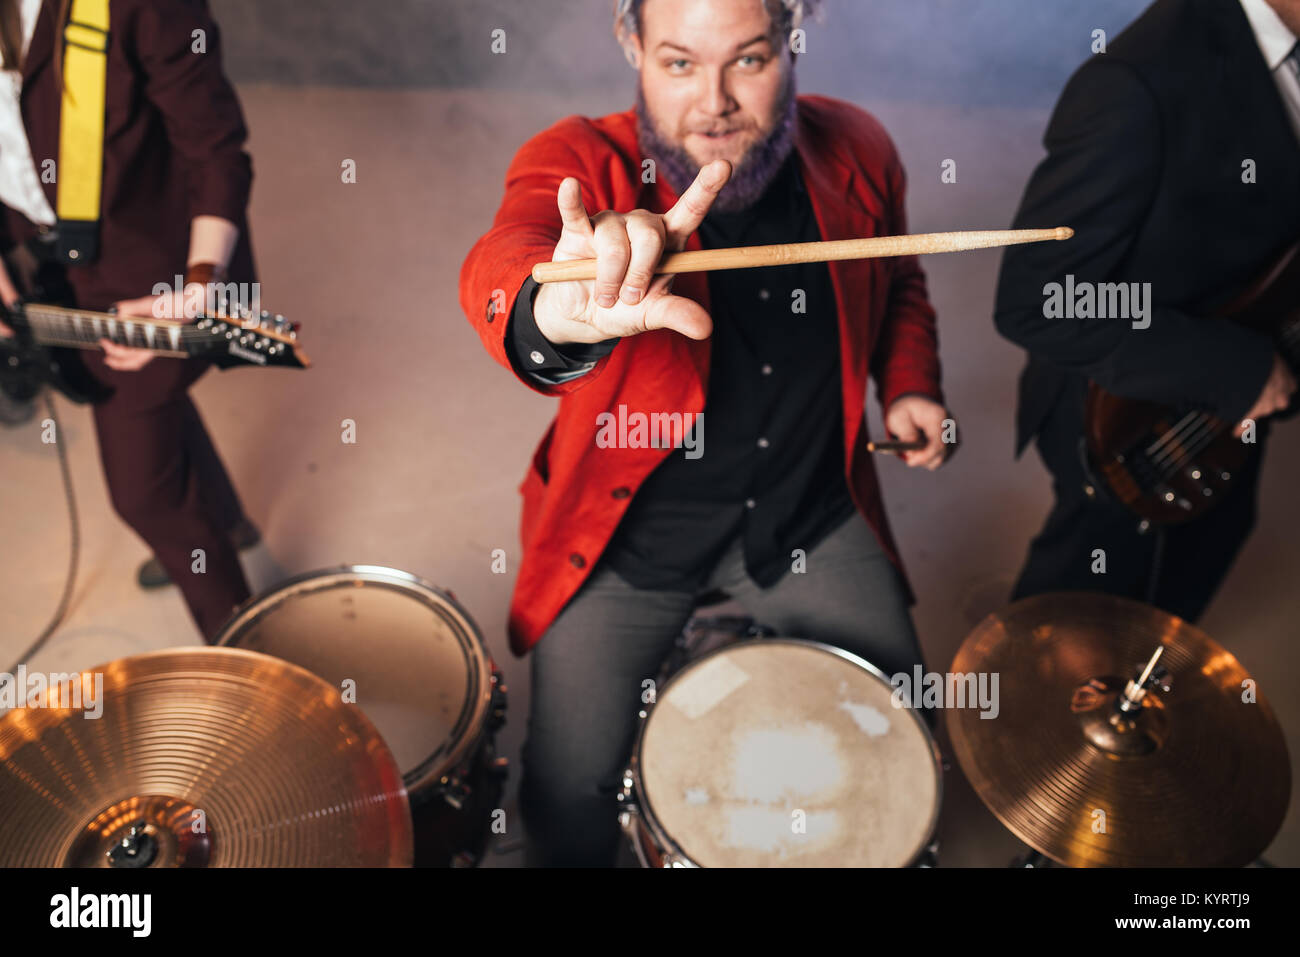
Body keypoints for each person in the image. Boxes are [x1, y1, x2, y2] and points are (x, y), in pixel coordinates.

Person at [460, 0, 956, 866]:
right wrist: (553, 310)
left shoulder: (862, 148)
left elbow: (901, 281)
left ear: (793, 36)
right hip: (626, 544)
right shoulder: (577, 160)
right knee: (565, 794)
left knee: (904, 742)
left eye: (750, 60)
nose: (715, 102)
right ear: (632, 45)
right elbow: (508, 256)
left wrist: (910, 385)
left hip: (810, 518)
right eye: (680, 63)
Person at [994, 0, 1300, 622]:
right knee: (1076, 636)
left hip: (1237, 404)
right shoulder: (1136, 81)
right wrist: (1239, 372)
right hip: (1130, 420)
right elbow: (1040, 300)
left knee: (1184, 594)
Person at [0, 0, 260, 640]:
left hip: (147, 267)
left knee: (143, 494)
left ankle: (252, 657)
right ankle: (226, 523)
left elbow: (217, 151)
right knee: (154, 413)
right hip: (36, 253)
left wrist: (198, 285)